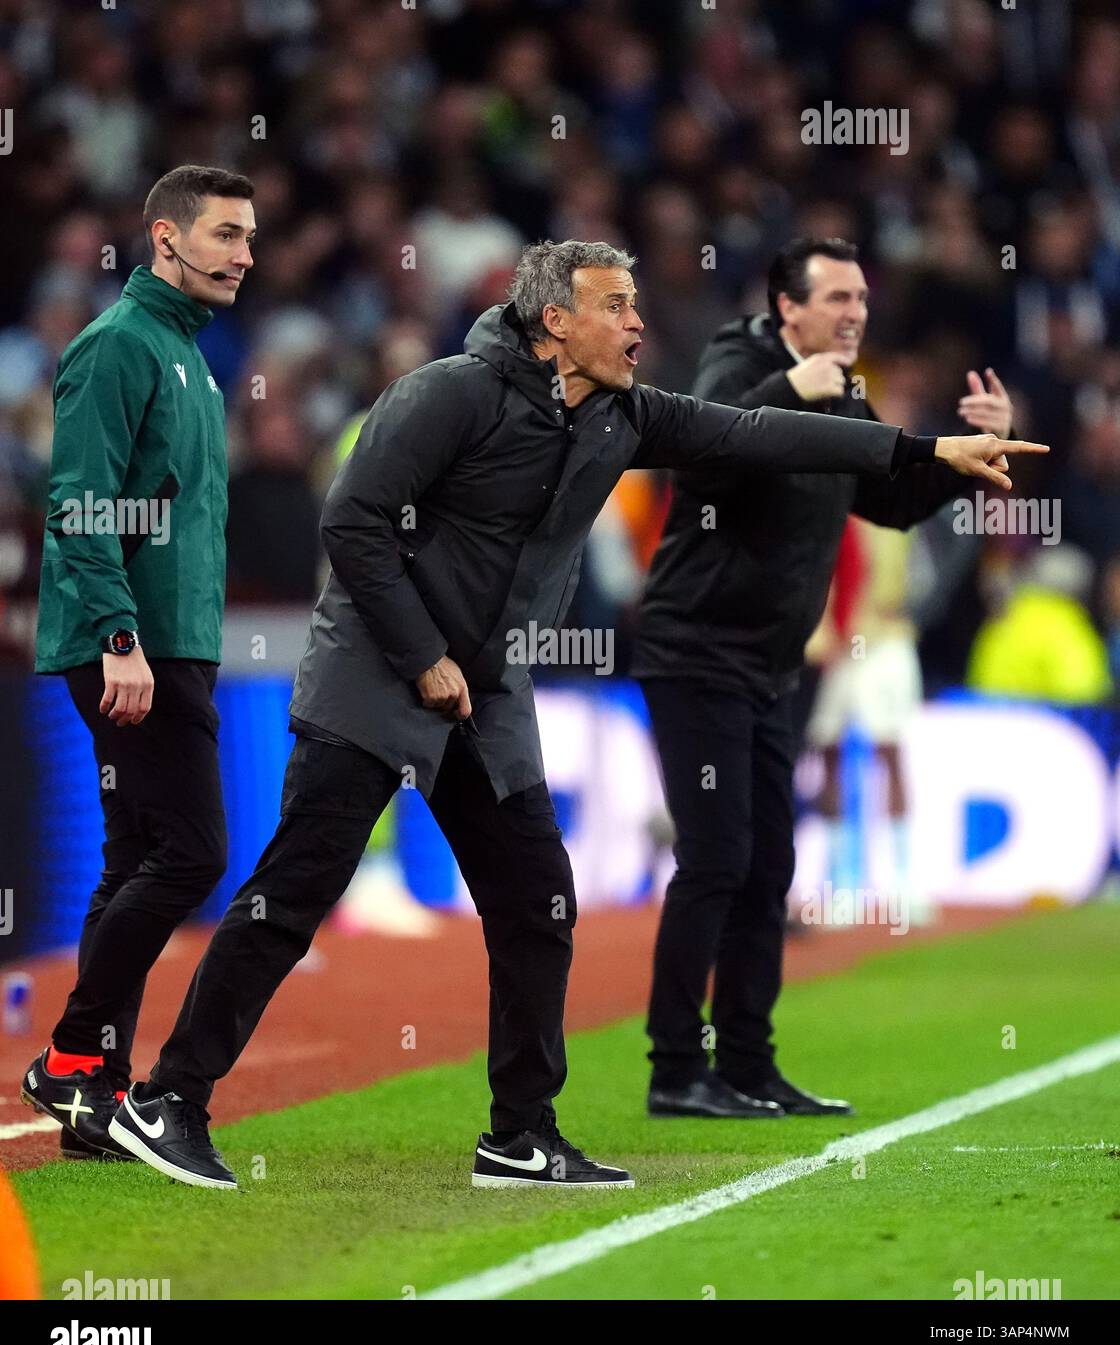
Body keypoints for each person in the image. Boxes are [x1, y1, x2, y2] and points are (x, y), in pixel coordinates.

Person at [107, 238, 1034, 1190]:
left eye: (637, 304)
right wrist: (424, 655)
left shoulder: (624, 416)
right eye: (618, 306)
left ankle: (520, 1134)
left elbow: (757, 436)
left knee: (537, 900)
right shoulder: (448, 392)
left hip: (487, 691)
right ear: (557, 321)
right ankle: (168, 1098)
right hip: (378, 675)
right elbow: (351, 521)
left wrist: (925, 451)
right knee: (295, 892)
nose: (640, 323)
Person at [631, 237, 1016, 1120]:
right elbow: (698, 459)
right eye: (837, 298)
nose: (855, 315)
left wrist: (965, 461)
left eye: (862, 301)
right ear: (786, 309)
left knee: (769, 865)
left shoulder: (840, 386)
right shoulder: (742, 358)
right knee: (719, 858)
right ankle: (674, 1069)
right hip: (696, 653)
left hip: (771, 663)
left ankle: (748, 1064)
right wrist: (782, 393)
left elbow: (884, 499)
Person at [19, 166, 255, 1159]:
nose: (246, 255)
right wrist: (120, 637)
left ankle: (92, 1091)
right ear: (165, 241)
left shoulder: (186, 354)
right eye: (228, 235)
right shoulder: (120, 347)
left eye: (250, 237)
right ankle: (73, 1057)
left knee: (131, 859)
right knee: (194, 853)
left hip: (170, 643)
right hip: (134, 646)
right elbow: (78, 503)